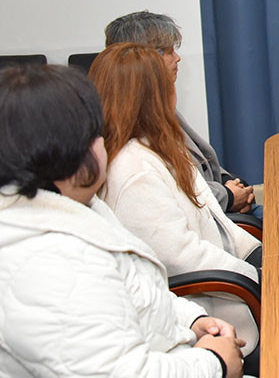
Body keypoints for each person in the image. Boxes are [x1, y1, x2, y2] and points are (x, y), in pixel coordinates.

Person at [0, 64, 245, 377]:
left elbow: (137, 292)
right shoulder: (50, 262)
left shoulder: (74, 209)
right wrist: (215, 363)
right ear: (69, 152)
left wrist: (191, 320)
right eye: (95, 136)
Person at [89, 43, 261, 360]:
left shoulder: (157, 148)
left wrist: (258, 255)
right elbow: (180, 259)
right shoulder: (133, 171)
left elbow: (213, 220)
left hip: (228, 281)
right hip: (214, 320)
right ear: (152, 98)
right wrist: (258, 278)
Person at [104, 10, 262, 220]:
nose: (177, 58)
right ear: (144, 59)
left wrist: (232, 184)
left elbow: (202, 165)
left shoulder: (158, 104)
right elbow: (181, 194)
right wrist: (230, 196)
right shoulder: (136, 128)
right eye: (168, 52)